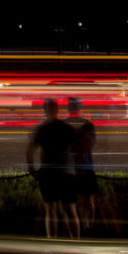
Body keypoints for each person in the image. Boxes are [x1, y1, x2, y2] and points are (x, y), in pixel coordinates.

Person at [25, 98, 80, 238]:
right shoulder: (67, 128)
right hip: (67, 172)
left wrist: (32, 170)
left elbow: (30, 151)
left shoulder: (41, 128)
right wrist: (75, 165)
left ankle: (53, 244)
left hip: (48, 172)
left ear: (45, 110)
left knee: (51, 209)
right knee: (70, 209)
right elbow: (80, 147)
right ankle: (76, 242)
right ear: (58, 110)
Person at [66, 97, 99, 228]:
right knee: (86, 200)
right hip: (85, 167)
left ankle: (78, 227)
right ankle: (87, 226)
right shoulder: (87, 124)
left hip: (72, 168)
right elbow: (90, 145)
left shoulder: (65, 124)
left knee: (72, 202)